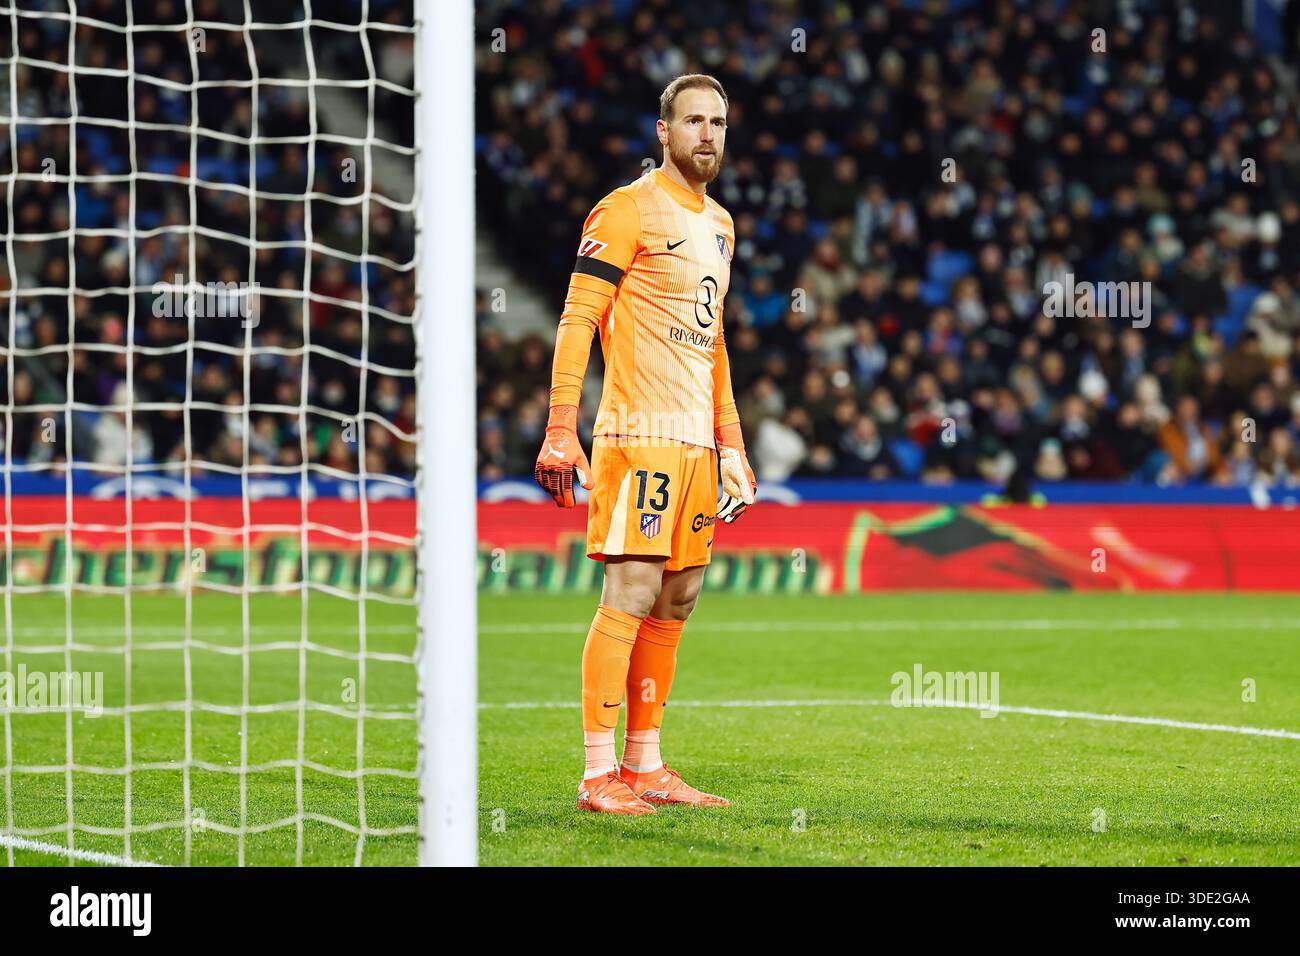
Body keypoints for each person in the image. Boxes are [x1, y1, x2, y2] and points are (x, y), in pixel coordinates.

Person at [534, 74, 756, 815]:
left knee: (679, 596)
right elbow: (577, 318)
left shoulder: (722, 225)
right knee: (630, 590)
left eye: (718, 122)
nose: (707, 134)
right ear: (663, 131)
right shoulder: (625, 209)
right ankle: (597, 777)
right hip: (639, 433)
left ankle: (645, 765)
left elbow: (714, 343)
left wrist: (732, 443)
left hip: (696, 442)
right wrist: (561, 426)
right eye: (692, 120)